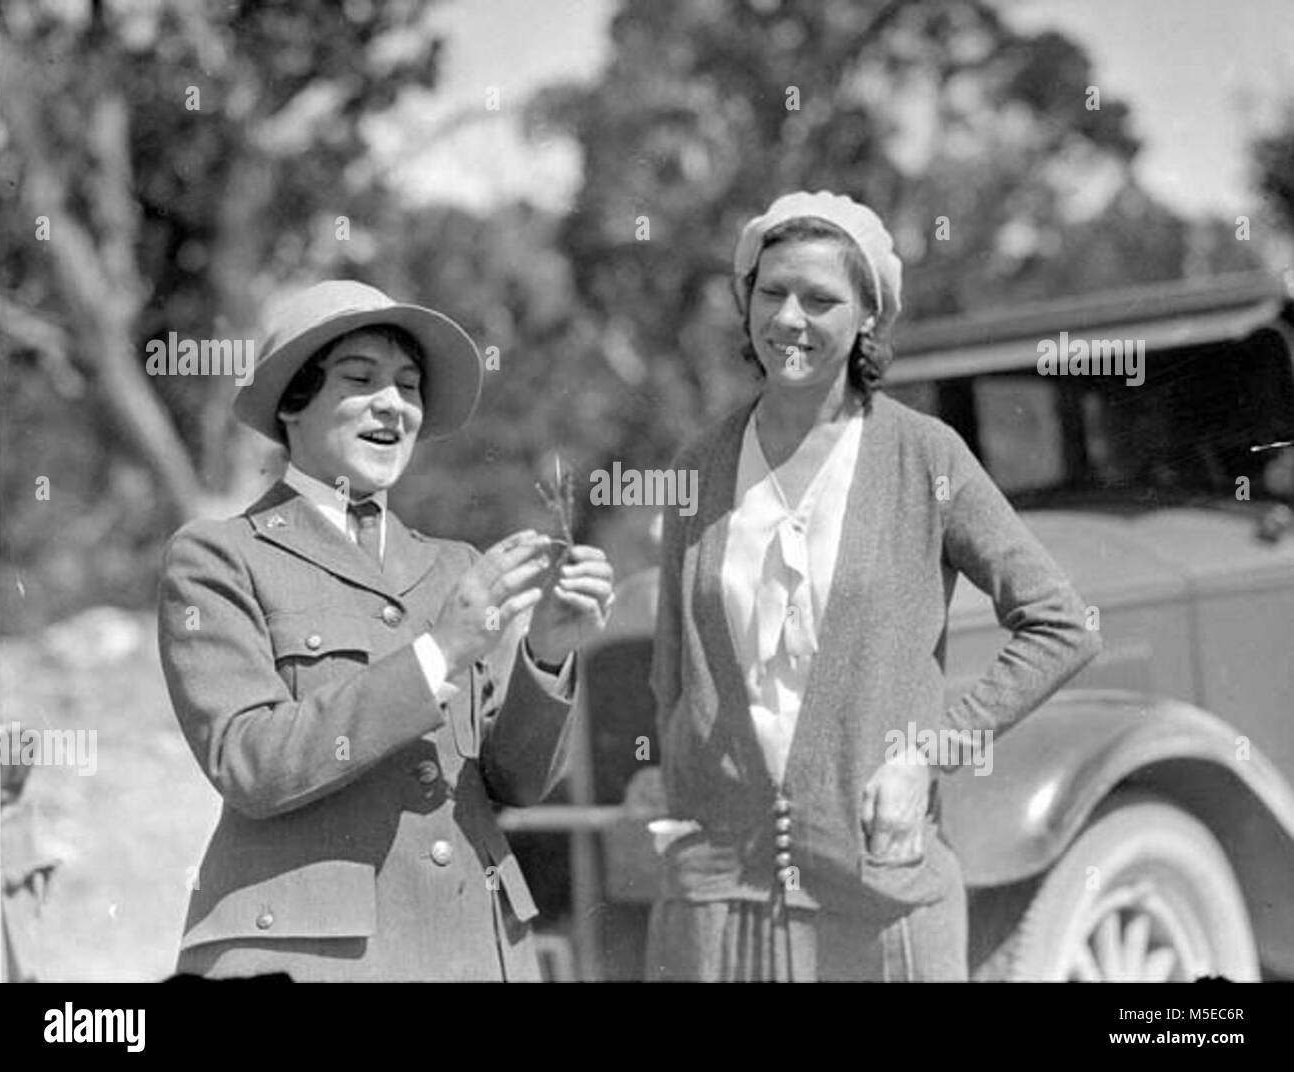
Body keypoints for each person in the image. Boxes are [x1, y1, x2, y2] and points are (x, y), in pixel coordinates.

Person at [644, 191, 1101, 981]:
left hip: (878, 893)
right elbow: (670, 670)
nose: (789, 318)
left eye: (821, 299)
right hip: (717, 898)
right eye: (771, 290)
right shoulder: (699, 464)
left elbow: (1063, 623)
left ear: (866, 319)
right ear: (744, 299)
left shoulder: (926, 458)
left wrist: (930, 753)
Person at [157, 280, 613, 980]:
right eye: (360, 379)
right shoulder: (219, 555)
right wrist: (438, 653)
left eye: (408, 385)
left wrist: (547, 649)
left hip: (475, 953)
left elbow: (514, 782)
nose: (392, 404)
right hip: (310, 962)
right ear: (292, 403)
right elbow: (249, 761)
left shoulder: (452, 567)